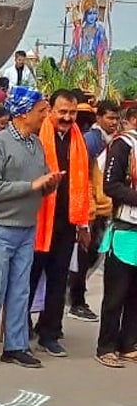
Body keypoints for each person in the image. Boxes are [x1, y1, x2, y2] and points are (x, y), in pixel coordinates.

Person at [0, 87, 60, 370]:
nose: (45, 116)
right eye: (41, 111)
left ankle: (15, 346)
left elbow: (38, 184)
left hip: (26, 227)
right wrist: (32, 185)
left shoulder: (36, 144)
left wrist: (49, 185)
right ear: (22, 113)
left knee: (21, 290)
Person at [28, 90, 90, 357]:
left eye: (72, 112)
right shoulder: (35, 137)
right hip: (37, 221)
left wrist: (84, 223)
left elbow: (84, 182)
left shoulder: (78, 140)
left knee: (58, 279)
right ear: (50, 111)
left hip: (66, 222)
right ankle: (19, 328)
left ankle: (49, 333)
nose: (67, 117)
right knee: (28, 278)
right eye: (62, 111)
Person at [67, 99, 121, 321]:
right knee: (83, 257)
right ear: (99, 118)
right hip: (89, 209)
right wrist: (88, 207)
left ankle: (75, 296)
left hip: (102, 208)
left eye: (116, 118)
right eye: (110, 117)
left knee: (92, 256)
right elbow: (84, 176)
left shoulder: (112, 139)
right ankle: (76, 300)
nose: (114, 122)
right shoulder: (91, 141)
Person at [95, 105, 137, 367]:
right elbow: (110, 186)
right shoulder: (123, 145)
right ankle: (106, 347)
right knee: (116, 294)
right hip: (124, 229)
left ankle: (128, 344)